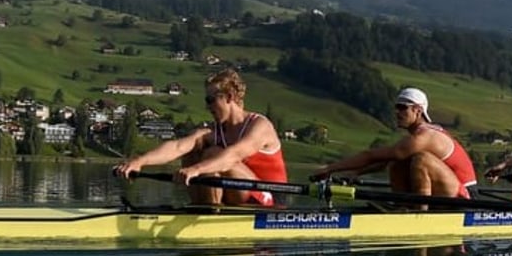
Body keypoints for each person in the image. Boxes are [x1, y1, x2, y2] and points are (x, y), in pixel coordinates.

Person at [113, 68, 288, 206]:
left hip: (269, 199)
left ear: (229, 97)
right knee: (193, 149)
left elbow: (232, 156)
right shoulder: (212, 131)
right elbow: (178, 147)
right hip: (240, 194)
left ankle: (210, 213)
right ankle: (205, 208)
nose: (207, 106)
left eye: (211, 100)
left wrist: (196, 170)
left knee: (213, 154)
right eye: (206, 100)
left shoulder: (260, 126)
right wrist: (140, 161)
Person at [310, 87, 478, 198]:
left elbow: (370, 155)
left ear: (418, 111)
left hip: (465, 196)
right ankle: (404, 207)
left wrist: (329, 169)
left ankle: (419, 213)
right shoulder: (417, 137)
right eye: (396, 107)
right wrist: (355, 173)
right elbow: (384, 161)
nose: (397, 112)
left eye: (402, 107)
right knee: (397, 161)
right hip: (449, 191)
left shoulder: (426, 136)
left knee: (421, 159)